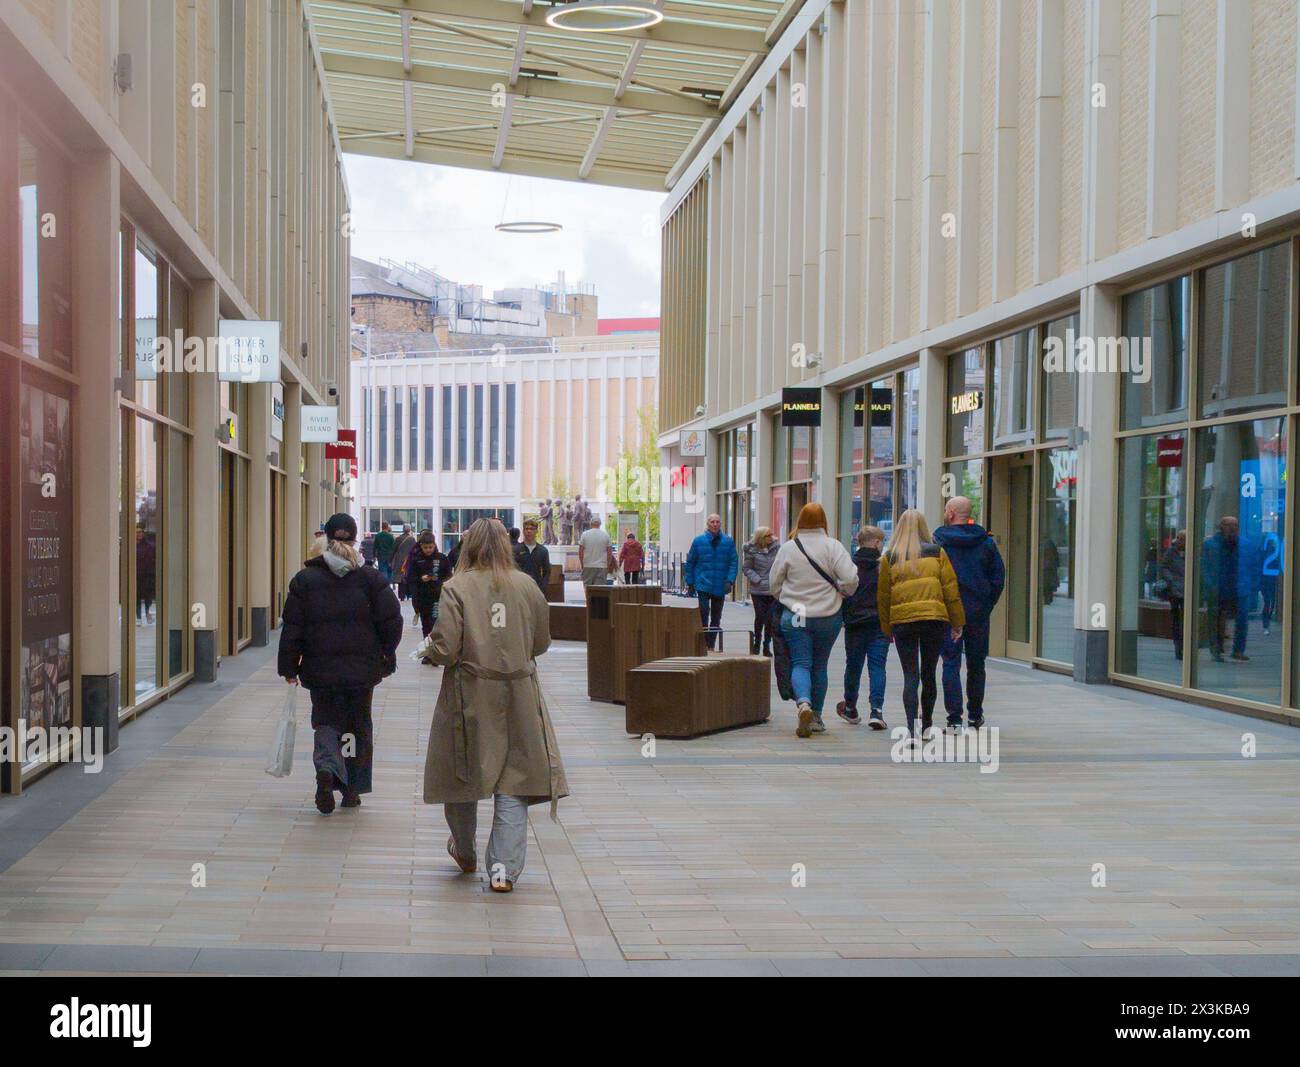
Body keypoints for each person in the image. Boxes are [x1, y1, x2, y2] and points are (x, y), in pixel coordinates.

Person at [420, 519, 569, 893]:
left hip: (469, 692)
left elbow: (445, 648)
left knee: (462, 772)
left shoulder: (456, 587)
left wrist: (429, 648)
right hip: (518, 691)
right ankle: (502, 870)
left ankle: (465, 849)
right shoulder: (527, 586)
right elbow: (542, 642)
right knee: (514, 779)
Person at [278, 513, 403, 814]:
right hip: (362, 671)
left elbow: (292, 627)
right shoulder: (370, 578)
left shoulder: (305, 580)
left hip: (320, 671)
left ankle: (327, 768)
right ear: (356, 539)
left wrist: (288, 666)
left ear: (326, 539)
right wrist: (386, 652)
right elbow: (392, 619)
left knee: (326, 721)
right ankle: (351, 787)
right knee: (357, 725)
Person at [769, 503, 857, 737]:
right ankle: (816, 716)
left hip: (796, 613)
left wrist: (786, 598)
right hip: (828, 616)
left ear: (800, 520)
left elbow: (774, 584)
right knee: (820, 665)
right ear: (823, 521)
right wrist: (841, 591)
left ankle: (803, 703)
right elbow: (850, 579)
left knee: (800, 662)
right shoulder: (833, 546)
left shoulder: (788, 548)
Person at [878, 509, 965, 744]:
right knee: (929, 674)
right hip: (934, 620)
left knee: (910, 676)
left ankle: (911, 728)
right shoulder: (937, 553)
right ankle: (927, 725)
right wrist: (957, 623)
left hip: (903, 622)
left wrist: (887, 628)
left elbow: (883, 596)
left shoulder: (890, 557)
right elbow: (951, 590)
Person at [932, 496, 1004, 730]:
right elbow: (998, 578)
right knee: (976, 662)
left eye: (945, 509)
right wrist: (986, 603)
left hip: (949, 611)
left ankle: (954, 717)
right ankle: (975, 713)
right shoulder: (986, 542)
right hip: (977, 612)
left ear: (951, 513)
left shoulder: (939, 541)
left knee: (950, 662)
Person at [836, 525, 889, 730]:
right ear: (876, 543)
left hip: (855, 623)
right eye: (881, 542)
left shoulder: (850, 564)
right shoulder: (883, 566)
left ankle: (850, 706)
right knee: (877, 667)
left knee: (854, 665)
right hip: (879, 623)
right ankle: (876, 710)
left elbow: (844, 591)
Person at [1201, 515, 1257, 662]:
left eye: (1235, 525)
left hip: (1240, 587)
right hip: (1218, 587)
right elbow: (1204, 567)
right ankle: (1217, 649)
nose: (1232, 528)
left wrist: (1252, 584)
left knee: (1242, 619)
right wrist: (1209, 585)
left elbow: (1253, 565)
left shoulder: (1245, 544)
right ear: (1221, 527)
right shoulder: (1210, 545)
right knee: (1216, 619)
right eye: (1228, 525)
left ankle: (1238, 650)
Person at [684, 514, 739, 650]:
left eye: (717, 522)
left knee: (716, 616)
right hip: (703, 583)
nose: (715, 524)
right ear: (708, 524)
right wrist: (690, 582)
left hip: (720, 584)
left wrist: (730, 580)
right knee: (703, 613)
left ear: (720, 524)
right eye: (712, 522)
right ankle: (703, 643)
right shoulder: (698, 541)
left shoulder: (728, 541)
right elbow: (690, 562)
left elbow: (734, 562)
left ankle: (711, 644)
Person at [742, 526, 779, 656]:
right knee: (760, 617)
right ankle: (756, 642)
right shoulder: (752, 550)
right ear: (761, 537)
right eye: (768, 535)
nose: (771, 537)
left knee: (770, 619)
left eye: (771, 534)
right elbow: (746, 568)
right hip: (758, 590)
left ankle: (766, 645)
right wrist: (757, 579)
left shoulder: (776, 548)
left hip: (772, 589)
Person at [407, 531, 450, 638]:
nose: (428, 550)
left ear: (434, 545)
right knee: (426, 625)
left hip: (438, 597)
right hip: (422, 598)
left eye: (430, 547)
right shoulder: (416, 559)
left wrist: (440, 582)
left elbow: (449, 575)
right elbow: (410, 578)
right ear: (421, 546)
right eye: (425, 547)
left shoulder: (441, 558)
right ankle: (427, 649)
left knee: (436, 623)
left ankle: (435, 648)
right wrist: (421, 579)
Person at [1159, 530, 1187, 659]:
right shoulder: (1171, 552)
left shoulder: (1192, 551)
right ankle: (1178, 647)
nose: (1182, 542)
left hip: (1187, 590)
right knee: (1176, 618)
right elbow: (1164, 567)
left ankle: (1185, 645)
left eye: (1184, 539)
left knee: (1186, 619)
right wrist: (1171, 579)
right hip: (1175, 590)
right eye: (1180, 539)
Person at [514, 519, 551, 591]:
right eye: (526, 529)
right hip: (519, 588)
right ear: (523, 531)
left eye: (532, 529)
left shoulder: (543, 551)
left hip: (537, 588)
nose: (529, 531)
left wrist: (542, 587)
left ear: (536, 531)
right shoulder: (516, 550)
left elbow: (547, 572)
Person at [578, 517, 613, 586]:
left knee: (587, 589)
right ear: (600, 524)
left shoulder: (584, 534)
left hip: (588, 565)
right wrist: (607, 565)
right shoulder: (606, 535)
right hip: (602, 566)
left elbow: (580, 551)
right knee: (599, 590)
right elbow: (609, 553)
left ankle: (588, 597)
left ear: (591, 524)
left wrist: (582, 564)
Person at [391, 527, 416, 598]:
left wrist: (390, 560)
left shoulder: (398, 539)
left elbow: (393, 550)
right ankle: (408, 594)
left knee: (400, 578)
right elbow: (415, 550)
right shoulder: (412, 539)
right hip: (409, 560)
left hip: (399, 560)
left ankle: (401, 595)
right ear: (409, 531)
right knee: (407, 576)